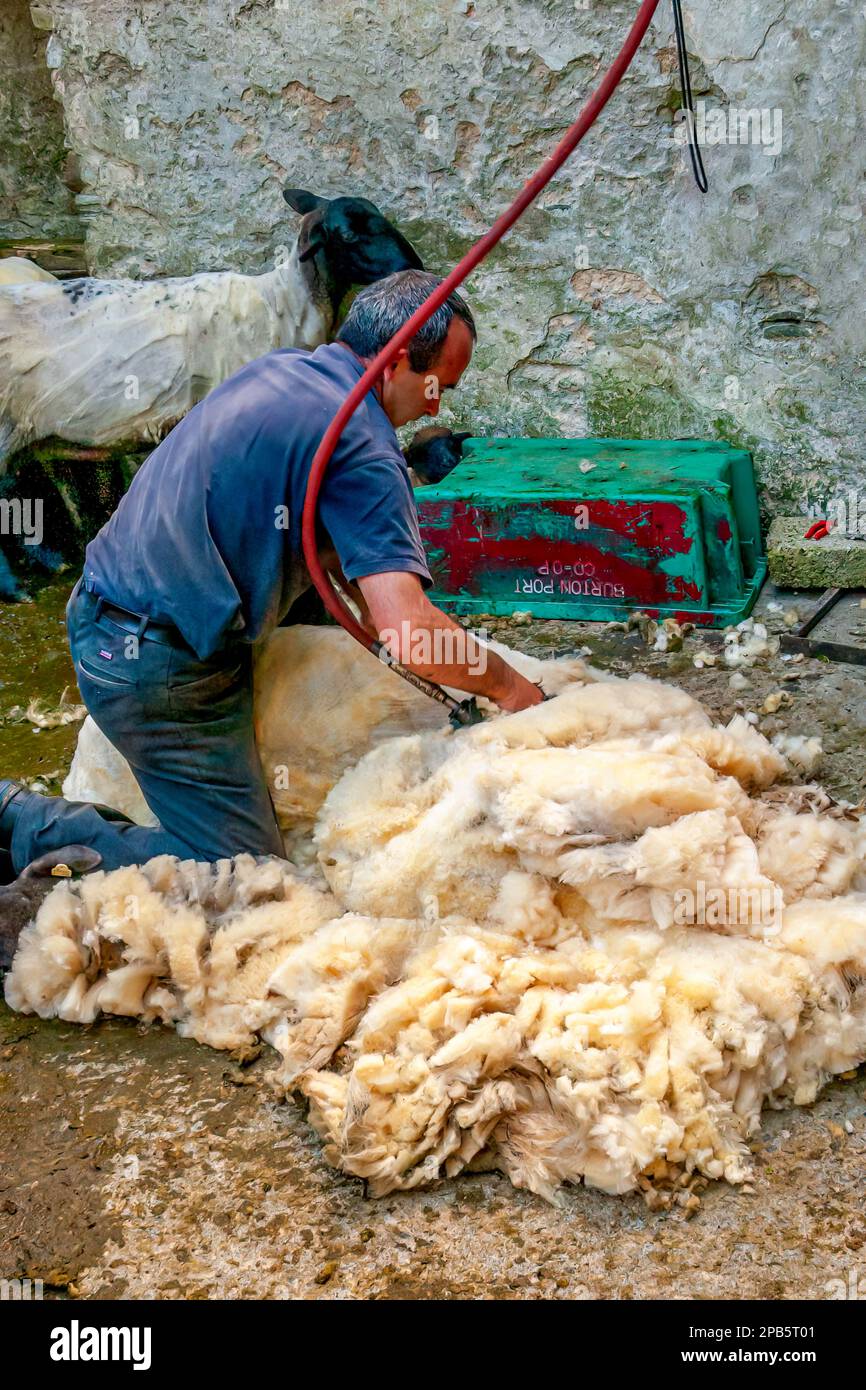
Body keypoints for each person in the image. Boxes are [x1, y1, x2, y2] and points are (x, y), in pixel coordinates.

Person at [0, 269, 542, 875]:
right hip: (154, 663)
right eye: (440, 386)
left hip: (111, 608)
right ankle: (24, 823)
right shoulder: (364, 447)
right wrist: (513, 689)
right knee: (236, 873)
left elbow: (337, 562)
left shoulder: (284, 369)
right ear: (395, 362)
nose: (437, 406)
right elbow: (409, 631)